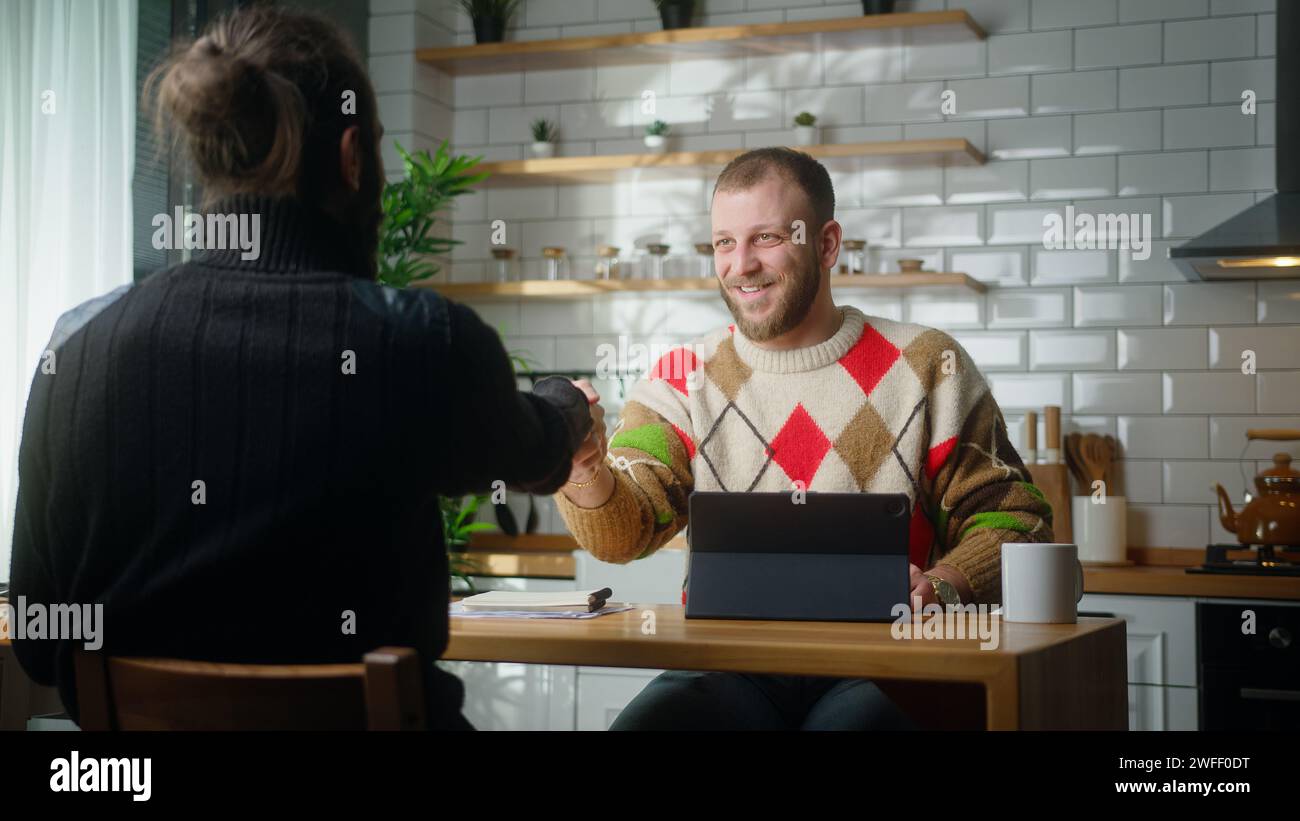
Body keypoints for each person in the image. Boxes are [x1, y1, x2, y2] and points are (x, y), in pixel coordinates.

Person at [7, 5, 590, 730]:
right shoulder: (419, 340)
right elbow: (532, 453)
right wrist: (572, 406)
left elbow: (40, 641)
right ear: (351, 158)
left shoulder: (77, 345)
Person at [557, 147, 1055, 730]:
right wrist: (584, 466)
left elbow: (1019, 522)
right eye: (723, 242)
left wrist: (944, 586)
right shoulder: (679, 377)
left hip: (888, 664)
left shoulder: (928, 365)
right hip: (726, 666)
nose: (740, 264)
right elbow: (627, 531)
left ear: (826, 244)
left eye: (766, 238)